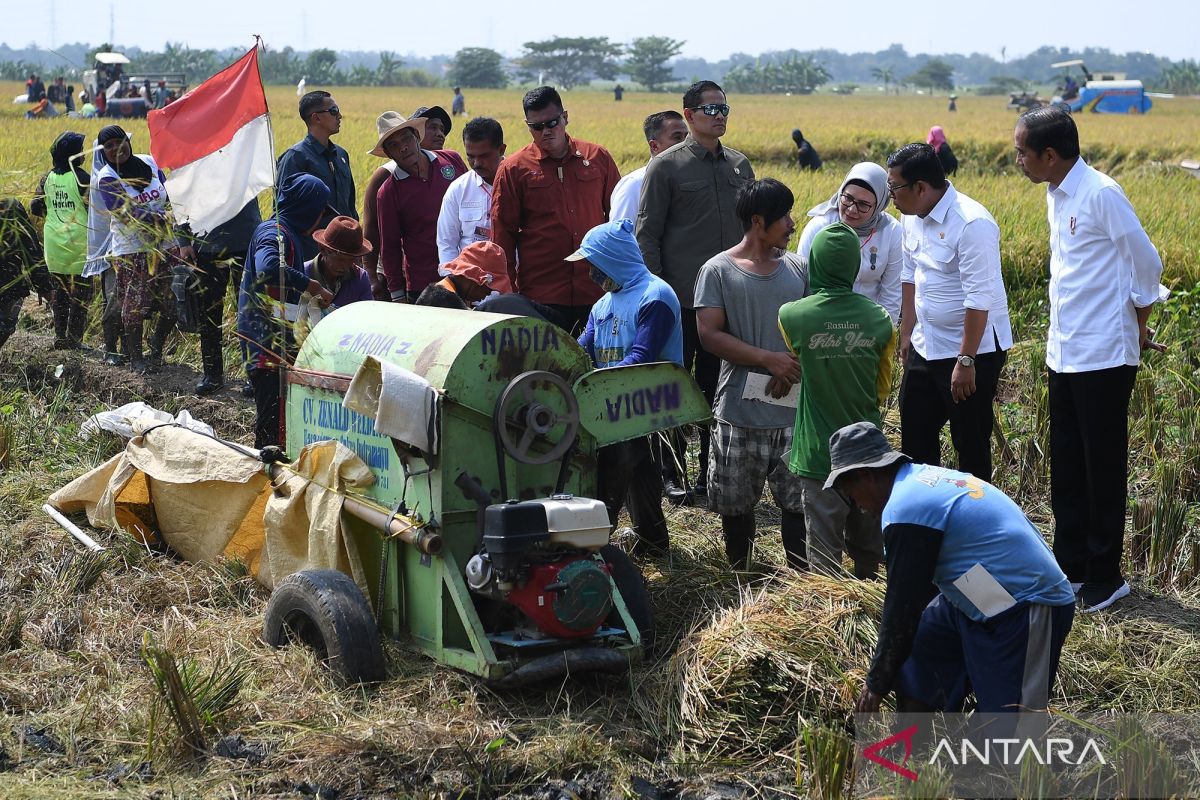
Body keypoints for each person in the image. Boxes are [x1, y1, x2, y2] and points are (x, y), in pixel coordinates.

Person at [1014, 106, 1166, 613]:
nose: (1018, 160)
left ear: (1050, 155)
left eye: (1022, 152)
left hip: (1103, 353)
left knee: (1101, 467)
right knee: (1067, 465)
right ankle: (1072, 565)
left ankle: (1106, 575)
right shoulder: (1056, 194)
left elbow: (1146, 261)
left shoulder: (1101, 193)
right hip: (1065, 350)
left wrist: (1139, 320)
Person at [829, 422, 1075, 714]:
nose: (858, 506)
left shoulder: (905, 507)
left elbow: (902, 607)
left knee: (1010, 726)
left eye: (851, 493)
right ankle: (912, 739)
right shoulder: (916, 482)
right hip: (980, 589)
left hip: (1031, 602)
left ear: (867, 476)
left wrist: (876, 684)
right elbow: (917, 597)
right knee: (920, 651)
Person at [637, 80, 754, 502]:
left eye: (724, 109)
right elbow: (647, 235)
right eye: (711, 109)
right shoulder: (666, 167)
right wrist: (658, 295)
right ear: (689, 115)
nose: (719, 116)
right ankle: (670, 472)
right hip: (681, 301)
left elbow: (752, 230)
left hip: (728, 301)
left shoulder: (739, 165)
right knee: (673, 387)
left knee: (718, 387)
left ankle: (711, 471)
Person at [695, 179, 809, 570]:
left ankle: (801, 583)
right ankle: (740, 575)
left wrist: (790, 366)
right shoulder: (718, 271)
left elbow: (811, 328)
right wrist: (769, 360)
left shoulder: (798, 269)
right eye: (784, 216)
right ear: (758, 221)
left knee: (798, 503)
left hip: (792, 413)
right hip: (739, 413)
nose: (792, 224)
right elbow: (709, 335)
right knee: (736, 505)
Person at [888, 143, 1012, 483]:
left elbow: (978, 298)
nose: (890, 196)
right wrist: (906, 334)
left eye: (894, 187)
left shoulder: (971, 223)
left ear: (920, 187)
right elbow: (909, 276)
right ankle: (925, 509)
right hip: (925, 344)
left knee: (969, 443)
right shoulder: (910, 216)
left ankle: (973, 512)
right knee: (915, 437)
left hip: (971, 351)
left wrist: (966, 360)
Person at [779, 224, 895, 577]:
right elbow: (882, 388)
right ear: (854, 266)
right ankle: (868, 601)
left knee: (823, 552)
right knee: (868, 549)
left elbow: (795, 355)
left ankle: (830, 609)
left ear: (814, 262)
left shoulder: (792, 315)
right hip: (867, 455)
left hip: (818, 455)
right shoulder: (880, 319)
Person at [575, 219, 682, 556]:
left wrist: (596, 380)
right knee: (641, 475)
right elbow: (581, 350)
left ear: (613, 259)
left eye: (594, 265)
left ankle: (595, 547)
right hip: (612, 403)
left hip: (648, 403)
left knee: (616, 471)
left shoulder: (655, 296)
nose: (591, 274)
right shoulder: (602, 305)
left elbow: (641, 358)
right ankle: (652, 543)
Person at [491, 86, 621, 333]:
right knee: (546, 356)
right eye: (537, 127)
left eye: (552, 123)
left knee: (597, 355)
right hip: (542, 292)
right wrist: (507, 289)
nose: (546, 131)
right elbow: (502, 233)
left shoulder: (597, 158)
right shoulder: (514, 168)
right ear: (528, 126)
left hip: (596, 289)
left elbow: (617, 221)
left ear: (565, 117)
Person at [237, 174, 334, 449]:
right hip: (265, 341)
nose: (320, 219)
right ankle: (263, 470)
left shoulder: (286, 233)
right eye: (320, 212)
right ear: (307, 209)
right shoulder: (274, 233)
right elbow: (268, 268)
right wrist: (312, 285)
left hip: (277, 337)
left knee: (283, 418)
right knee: (271, 423)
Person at [95, 125, 193, 373]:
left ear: (127, 141)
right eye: (109, 146)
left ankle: (156, 344)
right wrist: (164, 217)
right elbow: (127, 214)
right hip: (132, 250)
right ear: (103, 152)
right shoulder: (107, 177)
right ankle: (136, 358)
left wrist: (178, 224)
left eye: (119, 142)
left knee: (172, 302)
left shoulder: (149, 162)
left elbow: (171, 197)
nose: (116, 149)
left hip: (165, 246)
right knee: (134, 306)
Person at [362, 107, 468, 300]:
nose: (403, 147)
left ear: (417, 136)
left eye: (406, 139)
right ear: (388, 153)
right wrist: (397, 294)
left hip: (464, 276)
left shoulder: (451, 160)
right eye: (393, 145)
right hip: (423, 284)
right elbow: (390, 247)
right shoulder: (388, 191)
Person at [796, 162, 903, 324]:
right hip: (822, 322)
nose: (852, 210)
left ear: (879, 205)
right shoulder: (820, 227)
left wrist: (884, 332)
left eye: (863, 204)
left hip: (869, 323)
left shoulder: (892, 232)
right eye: (848, 198)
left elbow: (892, 294)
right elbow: (802, 281)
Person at [276, 91, 357, 262]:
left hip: (343, 253)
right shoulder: (296, 157)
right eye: (333, 111)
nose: (340, 116)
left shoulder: (341, 155)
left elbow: (350, 206)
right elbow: (282, 212)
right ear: (316, 117)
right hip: (309, 254)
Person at [192, 199, 262, 395]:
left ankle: (254, 375)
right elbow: (182, 188)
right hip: (207, 241)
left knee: (251, 312)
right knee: (209, 313)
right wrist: (183, 240)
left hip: (246, 237)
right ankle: (212, 374)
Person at [30, 131, 92, 350]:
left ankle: (60, 337)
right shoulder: (83, 178)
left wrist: (55, 216)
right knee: (81, 295)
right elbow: (95, 210)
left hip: (54, 243)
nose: (84, 153)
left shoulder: (47, 178)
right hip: (79, 244)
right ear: (72, 155)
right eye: (80, 150)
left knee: (61, 293)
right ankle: (74, 340)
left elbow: (35, 206)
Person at [436, 117, 506, 264]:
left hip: (512, 275)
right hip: (469, 276)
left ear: (501, 150)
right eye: (470, 156)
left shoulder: (519, 183)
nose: (477, 163)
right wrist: (453, 276)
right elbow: (446, 243)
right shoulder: (458, 189)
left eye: (484, 156)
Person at [608, 111, 688, 223]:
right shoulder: (634, 185)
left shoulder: (694, 178)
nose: (685, 144)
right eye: (677, 138)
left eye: (687, 137)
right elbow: (622, 232)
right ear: (654, 146)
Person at [0, 199, 51, 350]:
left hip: (8, 284)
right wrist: (43, 286)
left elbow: (29, 246)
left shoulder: (10, 206)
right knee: (5, 326)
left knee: (5, 325)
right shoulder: (10, 205)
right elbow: (30, 247)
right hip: (9, 285)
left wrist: (43, 285)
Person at [416, 240, 509, 310]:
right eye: (487, 288)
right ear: (473, 277)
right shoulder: (445, 304)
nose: (487, 294)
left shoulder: (441, 293)